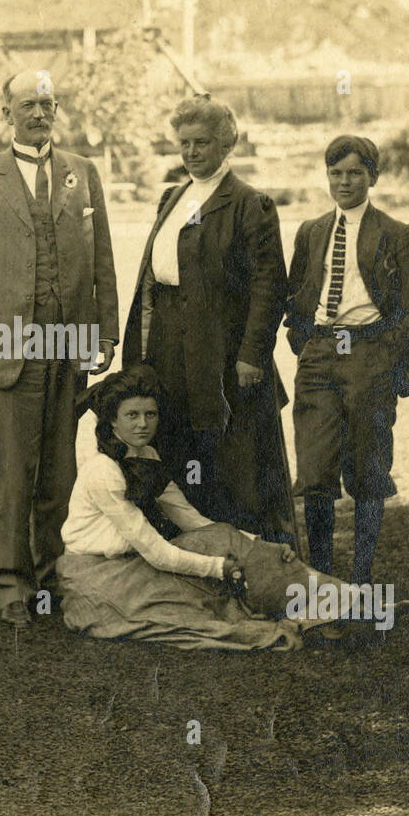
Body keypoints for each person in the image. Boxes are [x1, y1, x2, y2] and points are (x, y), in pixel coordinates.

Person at [0, 69, 120, 626]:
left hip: (68, 341)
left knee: (60, 472)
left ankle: (53, 580)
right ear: (6, 113)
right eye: (28, 105)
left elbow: (103, 261)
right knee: (13, 475)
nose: (39, 113)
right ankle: (9, 586)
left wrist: (106, 332)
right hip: (9, 341)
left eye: (47, 104)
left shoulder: (84, 172)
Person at [58, 367, 384, 651]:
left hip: (135, 564)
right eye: (132, 415)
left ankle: (339, 601)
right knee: (208, 598)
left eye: (150, 415)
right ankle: (344, 602)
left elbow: (191, 520)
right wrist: (220, 568)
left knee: (225, 537)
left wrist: (257, 545)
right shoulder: (103, 470)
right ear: (112, 421)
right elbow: (156, 552)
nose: (143, 424)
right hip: (100, 576)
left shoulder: (148, 457)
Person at [121, 95, 296, 545]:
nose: (193, 152)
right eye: (185, 143)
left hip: (223, 357)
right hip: (167, 349)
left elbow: (269, 285)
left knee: (231, 466)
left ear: (226, 144)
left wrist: (252, 355)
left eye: (203, 142)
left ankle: (249, 567)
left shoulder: (248, 203)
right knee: (175, 457)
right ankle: (186, 565)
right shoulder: (172, 197)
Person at [284, 134, 409, 585]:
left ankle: (360, 579)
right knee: (314, 471)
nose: (345, 182)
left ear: (373, 176)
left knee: (368, 467)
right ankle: (322, 579)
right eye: (336, 173)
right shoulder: (311, 231)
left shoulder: (396, 235)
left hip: (369, 353)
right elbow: (297, 294)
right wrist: (304, 338)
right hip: (319, 355)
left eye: (355, 172)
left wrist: (388, 356)